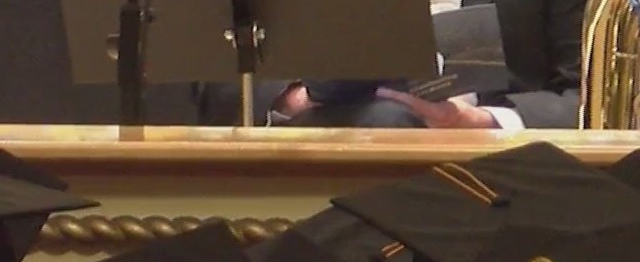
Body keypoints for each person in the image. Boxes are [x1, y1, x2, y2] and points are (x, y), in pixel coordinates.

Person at [197, 0, 583, 129]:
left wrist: (491, 121)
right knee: (389, 119)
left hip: (500, 165)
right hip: (330, 144)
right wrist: (288, 96)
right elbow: (207, 69)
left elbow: (594, 101)